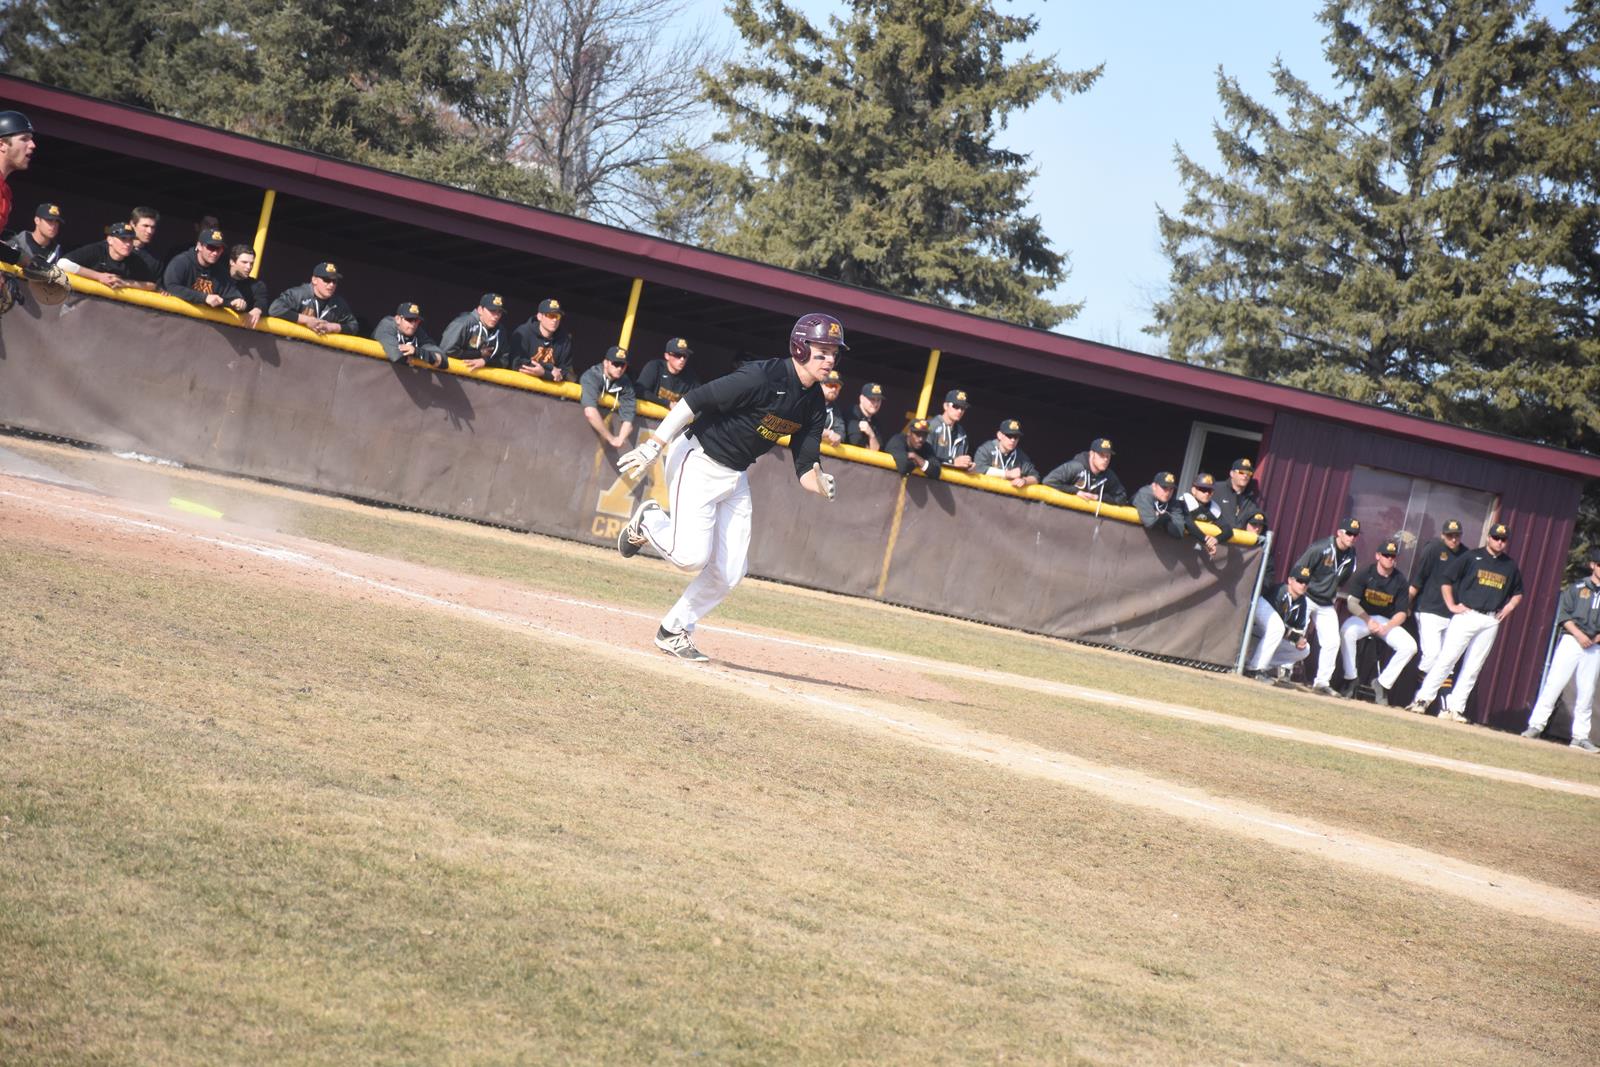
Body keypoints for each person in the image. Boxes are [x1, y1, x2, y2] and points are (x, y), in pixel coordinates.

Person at [615, 312, 843, 661]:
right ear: (800, 347)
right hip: (698, 456)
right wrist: (653, 445)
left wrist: (819, 484)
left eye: (833, 352)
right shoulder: (761, 376)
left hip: (734, 474)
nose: (829, 359)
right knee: (691, 557)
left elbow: (805, 465)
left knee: (731, 570)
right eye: (822, 351)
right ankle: (648, 520)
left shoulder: (813, 402)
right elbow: (694, 401)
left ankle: (673, 630)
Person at [1406, 522, 1524, 722]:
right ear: (1489, 538)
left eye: (1503, 539)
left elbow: (1518, 593)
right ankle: (1423, 699)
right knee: (1447, 659)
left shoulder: (1509, 565)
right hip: (1467, 614)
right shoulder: (1471, 557)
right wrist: (1452, 605)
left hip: (1490, 618)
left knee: (1473, 666)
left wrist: (1509, 608)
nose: (1500, 542)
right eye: (1496, 538)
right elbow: (1446, 579)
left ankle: (1456, 708)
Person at [1522, 548, 1600, 752]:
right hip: (1572, 640)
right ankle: (1536, 725)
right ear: (1593, 565)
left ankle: (1580, 736)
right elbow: (1564, 616)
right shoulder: (1577, 588)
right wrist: (1580, 635)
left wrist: (1595, 638)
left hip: (1595, 645)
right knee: (1555, 682)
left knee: (1587, 691)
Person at [1337, 538, 1417, 705]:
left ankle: (1382, 683)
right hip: (1365, 617)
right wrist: (1368, 621)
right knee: (1347, 632)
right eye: (1386, 555)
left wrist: (1387, 627)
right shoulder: (1366, 573)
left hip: (1387, 622)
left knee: (1410, 646)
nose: (1390, 559)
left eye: (1393, 556)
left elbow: (1402, 613)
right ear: (1378, 556)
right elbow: (1352, 602)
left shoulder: (1400, 580)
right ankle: (1351, 678)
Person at [1291, 517, 1362, 696]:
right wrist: (1299, 594)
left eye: (1355, 535)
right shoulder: (1320, 548)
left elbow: (1342, 580)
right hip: (1307, 596)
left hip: (1326, 602)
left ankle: (1322, 682)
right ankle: (1284, 670)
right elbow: (1299, 569)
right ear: (1339, 532)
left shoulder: (1351, 555)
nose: (1352, 538)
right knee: (1296, 632)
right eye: (1349, 533)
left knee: (1332, 641)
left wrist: (1330, 593)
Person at [1408, 518, 1468, 682]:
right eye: (1450, 536)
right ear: (1443, 535)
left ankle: (1427, 696)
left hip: (1451, 614)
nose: (1454, 539)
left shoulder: (1466, 554)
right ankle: (1420, 683)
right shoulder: (1434, 549)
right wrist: (1406, 603)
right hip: (1428, 609)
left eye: (1457, 536)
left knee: (1447, 659)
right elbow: (1419, 578)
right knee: (1432, 654)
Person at [1246, 564, 1313, 681]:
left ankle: (1254, 663)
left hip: (1272, 636)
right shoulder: (1279, 591)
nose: (1303, 585)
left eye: (1306, 583)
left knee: (1304, 649)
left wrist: (1298, 640)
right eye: (1300, 581)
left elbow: (1297, 632)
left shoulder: (1302, 602)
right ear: (1290, 580)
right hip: (1253, 631)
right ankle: (1255, 669)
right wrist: (1294, 637)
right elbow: (1275, 626)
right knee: (1277, 628)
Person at [163, 226, 246, 313]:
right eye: (211, 247)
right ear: (199, 246)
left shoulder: (221, 271)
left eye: (219, 249)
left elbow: (233, 296)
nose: (215, 253)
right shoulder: (182, 262)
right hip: (175, 317)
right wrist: (204, 298)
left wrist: (238, 302)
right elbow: (171, 287)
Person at [59, 222, 161, 290]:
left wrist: (125, 283)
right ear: (110, 240)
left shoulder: (134, 258)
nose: (128, 244)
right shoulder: (97, 249)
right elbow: (62, 264)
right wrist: (99, 276)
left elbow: (152, 285)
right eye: (123, 239)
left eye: (131, 240)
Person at [269, 261, 359, 335]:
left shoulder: (338, 303)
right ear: (314, 280)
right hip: (289, 347)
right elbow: (275, 309)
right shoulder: (299, 293)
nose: (331, 285)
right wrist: (306, 320)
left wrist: (332, 327)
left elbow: (354, 326)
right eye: (326, 280)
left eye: (334, 281)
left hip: (317, 352)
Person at [1042, 437, 1129, 505]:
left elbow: (1122, 498)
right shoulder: (1076, 467)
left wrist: (1098, 497)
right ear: (1091, 454)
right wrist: (1075, 491)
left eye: (1108, 456)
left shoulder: (1109, 475)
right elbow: (1048, 481)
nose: (1105, 460)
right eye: (1101, 455)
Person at [580, 345, 636, 448]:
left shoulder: (625, 382)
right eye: (616, 364)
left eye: (623, 365)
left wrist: (620, 439)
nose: (619, 368)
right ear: (605, 363)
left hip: (597, 435)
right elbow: (590, 412)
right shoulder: (592, 375)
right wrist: (611, 438)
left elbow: (628, 419)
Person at [511, 297, 573, 381]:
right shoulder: (523, 332)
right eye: (551, 315)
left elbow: (567, 371)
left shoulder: (564, 340)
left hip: (548, 392)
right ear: (539, 316)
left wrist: (545, 373)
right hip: (517, 387)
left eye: (557, 316)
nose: (554, 320)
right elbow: (517, 363)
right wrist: (548, 369)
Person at [440, 293, 508, 370]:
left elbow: (505, 360)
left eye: (499, 312)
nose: (496, 316)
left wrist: (485, 361)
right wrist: (479, 354)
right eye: (492, 311)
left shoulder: (500, 330)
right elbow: (447, 351)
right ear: (480, 310)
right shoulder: (463, 323)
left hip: (481, 379)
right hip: (451, 375)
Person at [372, 301, 445, 369]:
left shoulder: (417, 331)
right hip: (373, 369)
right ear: (398, 319)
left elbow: (443, 361)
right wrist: (424, 357)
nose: (413, 324)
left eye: (417, 320)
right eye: (409, 319)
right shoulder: (387, 324)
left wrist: (417, 352)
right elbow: (396, 355)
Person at [1176, 473, 1231, 559]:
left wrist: (1216, 539)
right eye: (1203, 489)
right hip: (1175, 546)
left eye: (1210, 491)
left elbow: (1228, 530)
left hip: (1194, 552)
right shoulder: (1184, 502)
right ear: (1194, 490)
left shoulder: (1214, 509)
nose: (1206, 493)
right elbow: (1187, 523)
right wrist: (1205, 540)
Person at [0, 110, 36, 241]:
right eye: (24, 139)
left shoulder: (5, 191)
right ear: (2, 144)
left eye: (31, 139)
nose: (32, 145)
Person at [971, 418, 1039, 488]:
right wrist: (1007, 474)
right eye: (1009, 436)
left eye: (1016, 437)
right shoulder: (986, 449)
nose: (1013, 440)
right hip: (982, 493)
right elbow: (979, 468)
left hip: (1006, 497)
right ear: (999, 435)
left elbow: (1036, 477)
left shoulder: (1021, 457)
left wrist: (1024, 480)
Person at [635, 337, 699, 405]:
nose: (682, 359)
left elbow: (698, 401)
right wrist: (667, 403)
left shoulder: (691, 378)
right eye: (678, 355)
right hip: (648, 414)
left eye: (685, 356)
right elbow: (639, 391)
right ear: (667, 356)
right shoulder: (655, 367)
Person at [1211, 457, 1266, 529]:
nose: (1245, 476)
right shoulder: (1217, 489)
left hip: (1237, 539)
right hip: (1214, 537)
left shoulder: (1251, 499)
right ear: (1232, 473)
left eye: (1248, 473)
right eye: (1241, 472)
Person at [6, 202, 63, 267]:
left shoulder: (57, 253)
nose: (54, 225)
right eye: (49, 220)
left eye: (57, 221)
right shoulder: (15, 244)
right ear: (37, 220)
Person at [1133, 472, 1188, 538]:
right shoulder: (1145, 494)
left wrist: (1166, 517)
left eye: (1171, 489)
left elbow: (1179, 533)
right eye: (1164, 488)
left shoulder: (1173, 502)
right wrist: (1165, 517)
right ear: (1154, 486)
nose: (1168, 493)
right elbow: (1151, 524)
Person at [227, 245, 270, 329]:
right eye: (244, 262)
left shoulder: (257, 285)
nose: (249, 267)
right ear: (232, 262)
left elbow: (262, 301)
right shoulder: (219, 279)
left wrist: (258, 309)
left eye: (251, 263)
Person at [929, 389, 972, 470]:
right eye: (956, 406)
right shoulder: (931, 426)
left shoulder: (962, 433)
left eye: (963, 408)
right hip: (926, 480)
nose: (960, 411)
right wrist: (952, 462)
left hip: (950, 481)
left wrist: (967, 466)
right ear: (945, 406)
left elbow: (958, 463)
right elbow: (924, 458)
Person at [847, 382, 886, 450]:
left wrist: (871, 435)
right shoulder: (852, 413)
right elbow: (857, 445)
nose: (876, 404)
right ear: (861, 398)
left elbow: (877, 451)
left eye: (878, 400)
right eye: (872, 399)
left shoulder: (875, 421)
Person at [127, 206, 163, 279]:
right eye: (145, 226)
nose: (150, 231)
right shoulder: (111, 247)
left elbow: (157, 286)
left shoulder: (155, 259)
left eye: (152, 227)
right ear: (132, 224)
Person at [819, 369, 848, 446]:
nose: (834, 389)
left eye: (837, 386)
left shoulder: (835, 410)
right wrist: (828, 433)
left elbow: (841, 435)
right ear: (820, 385)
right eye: (830, 385)